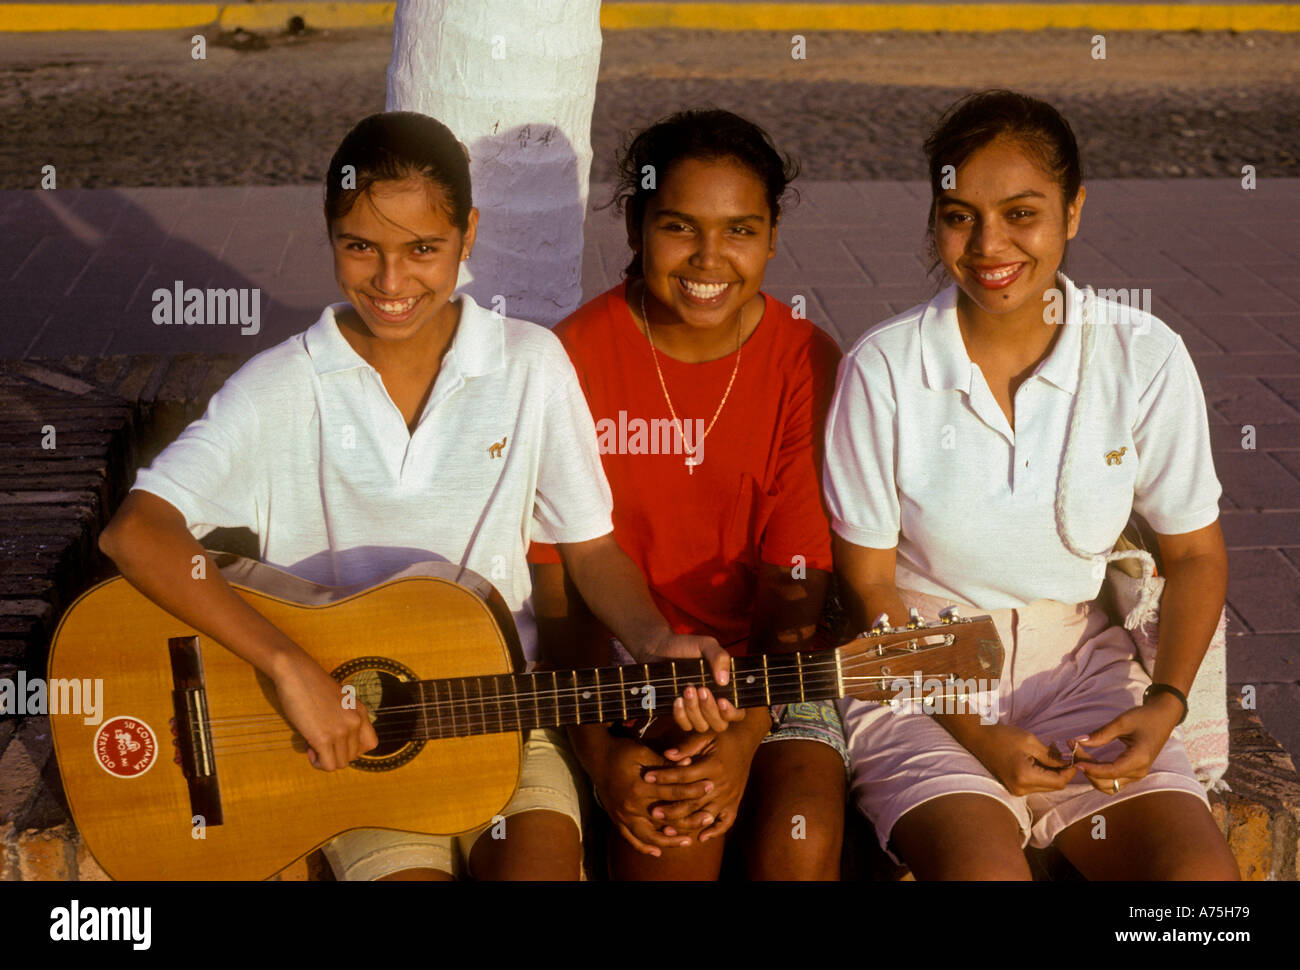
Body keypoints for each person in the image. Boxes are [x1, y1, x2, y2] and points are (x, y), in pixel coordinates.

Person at [97, 111, 738, 882]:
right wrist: (290, 668)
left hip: (506, 720)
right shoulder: (280, 386)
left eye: (423, 250)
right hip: (352, 747)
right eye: (360, 247)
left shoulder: (529, 365)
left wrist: (652, 639)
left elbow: (590, 546)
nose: (391, 283)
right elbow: (134, 532)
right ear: (330, 233)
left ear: (468, 235)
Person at [825, 90, 1240, 880]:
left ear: (1073, 211)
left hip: (1081, 677)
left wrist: (1164, 706)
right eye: (958, 215)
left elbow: (1195, 556)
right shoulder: (882, 370)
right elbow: (869, 584)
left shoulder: (1141, 356)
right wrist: (976, 732)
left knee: (1198, 897)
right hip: (924, 686)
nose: (989, 244)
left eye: (1022, 213)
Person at [530, 109, 847, 880]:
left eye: (740, 230)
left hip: (778, 671)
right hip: (624, 666)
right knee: (673, 832)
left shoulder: (803, 360)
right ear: (636, 226)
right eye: (679, 225)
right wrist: (600, 750)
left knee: (798, 844)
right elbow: (560, 590)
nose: (710, 257)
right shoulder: (569, 356)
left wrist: (743, 733)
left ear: (772, 237)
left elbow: (795, 596)